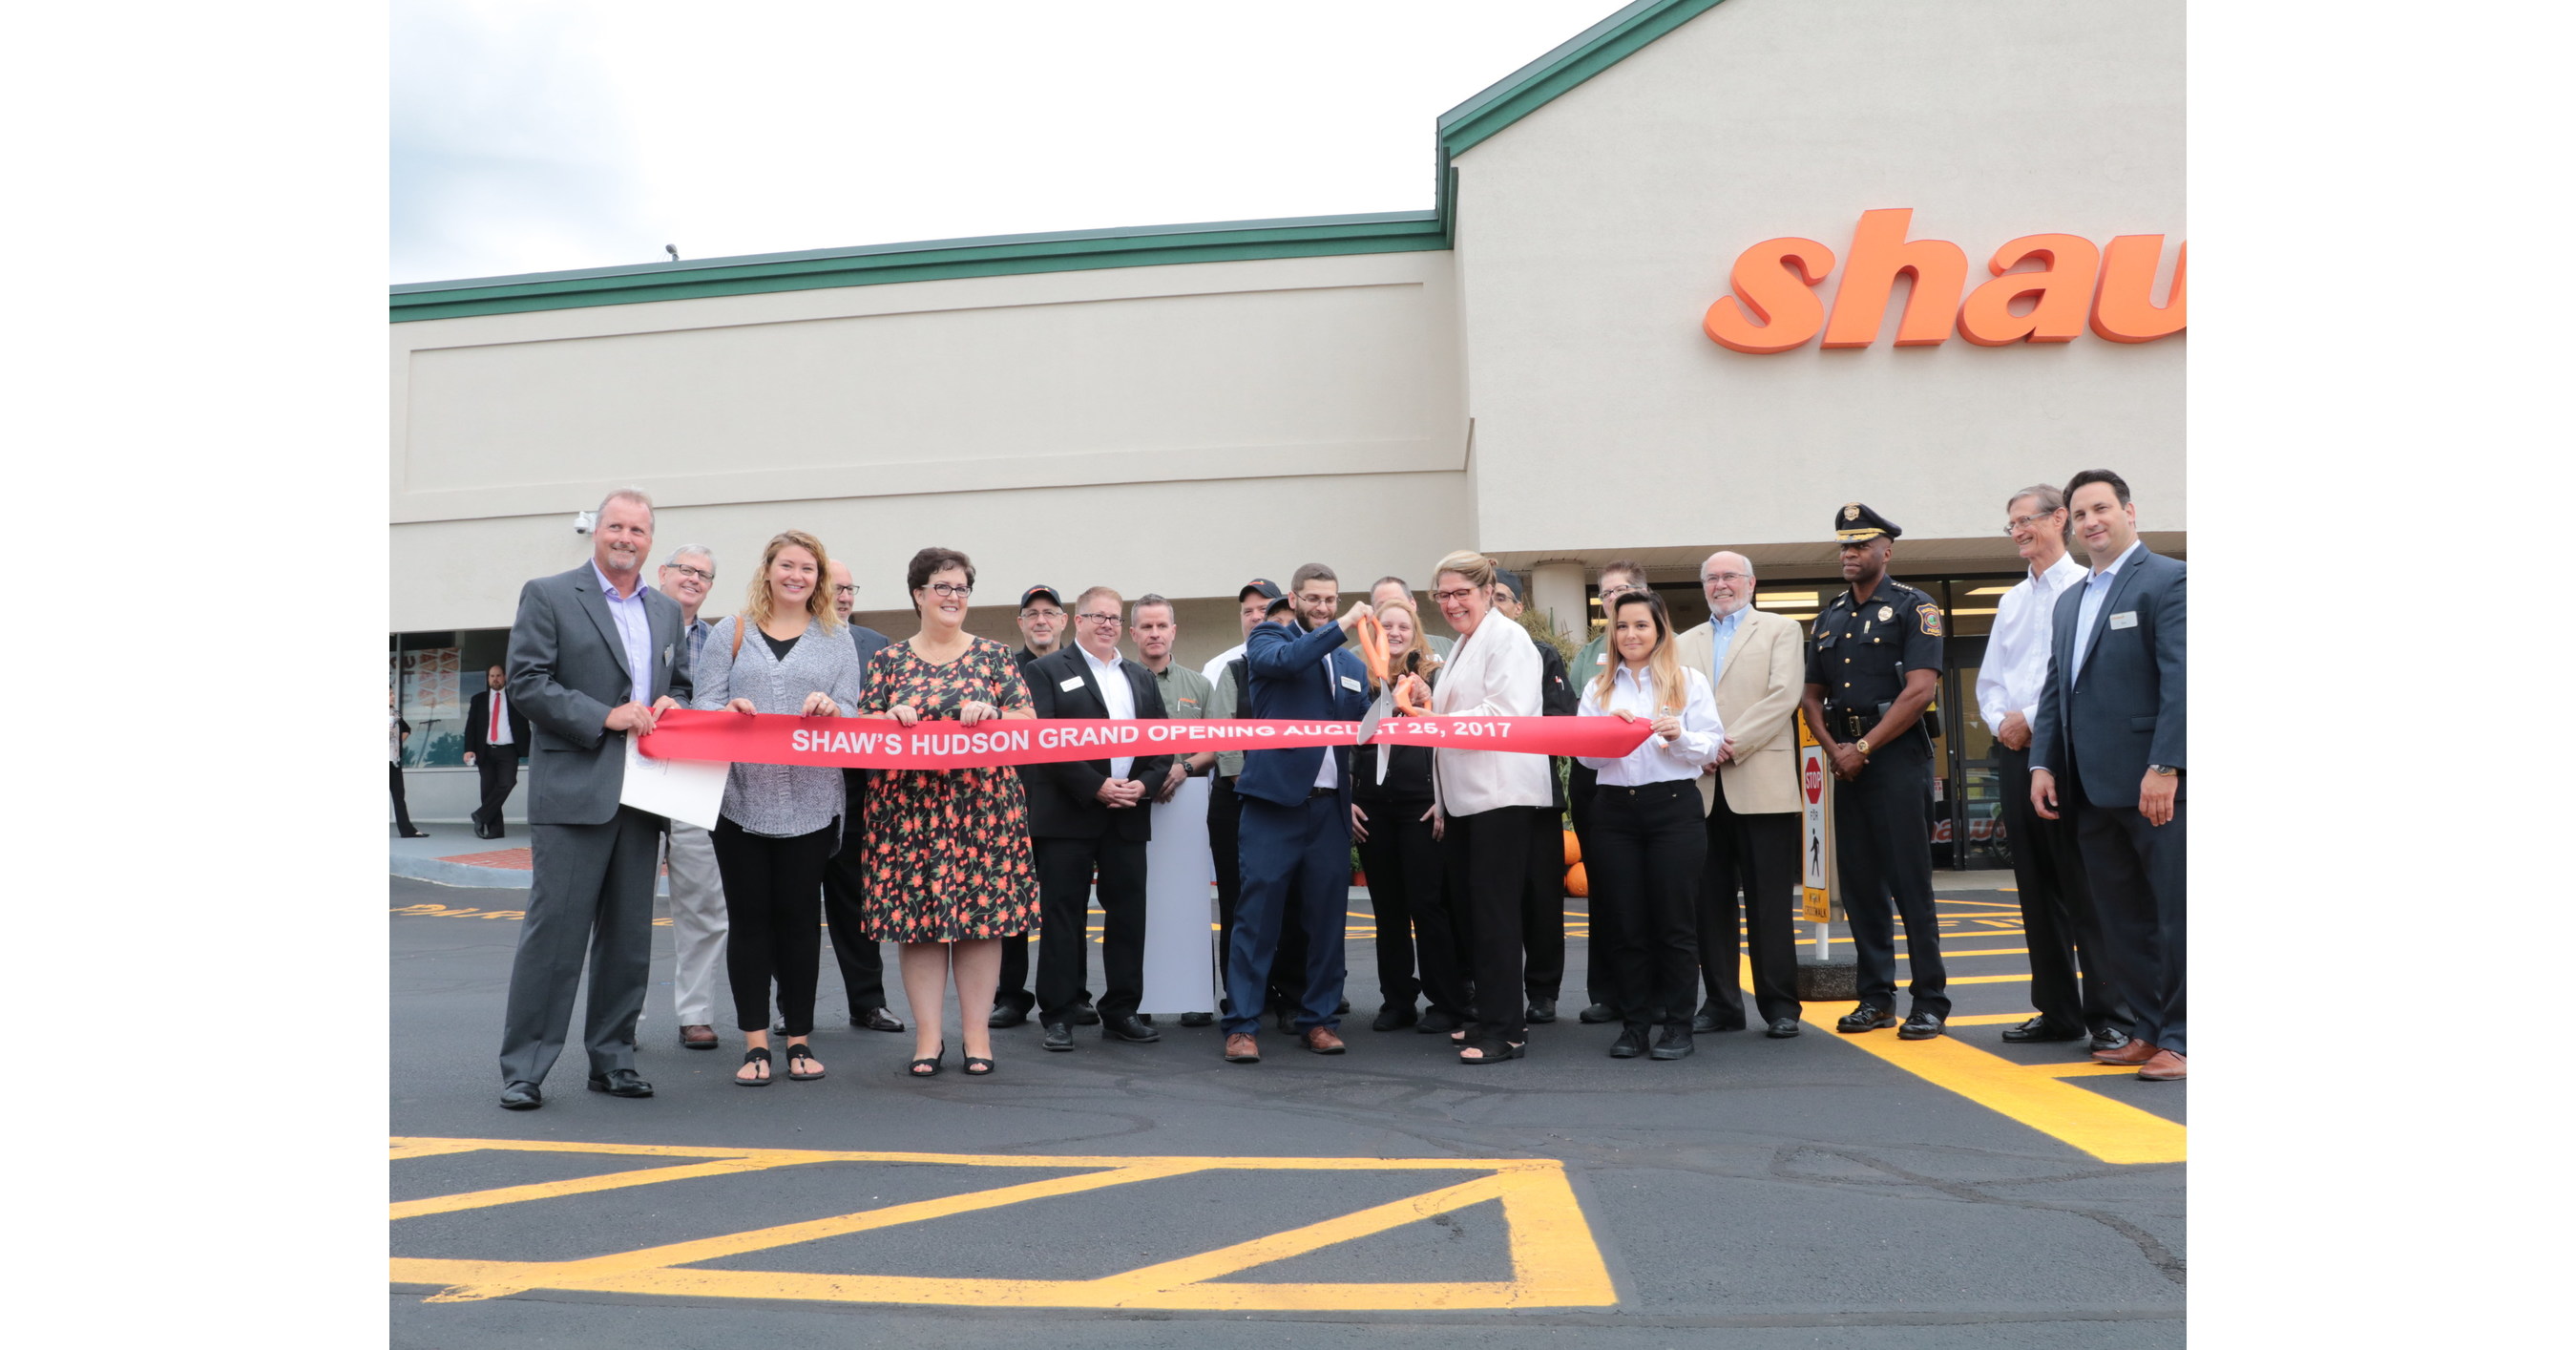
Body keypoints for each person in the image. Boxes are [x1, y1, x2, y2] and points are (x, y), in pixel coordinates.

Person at [494, 488, 691, 1110]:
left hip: (642, 795)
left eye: (637, 529)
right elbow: (527, 682)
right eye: (615, 527)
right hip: (575, 789)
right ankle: (525, 1068)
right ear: (596, 532)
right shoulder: (549, 594)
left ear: (649, 541)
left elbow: (677, 681)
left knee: (629, 939)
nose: (625, 538)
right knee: (555, 936)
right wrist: (602, 715)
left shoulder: (664, 610)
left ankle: (612, 1059)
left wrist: (674, 703)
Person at [694, 531, 867, 1086]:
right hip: (740, 799)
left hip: (813, 802)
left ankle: (798, 1039)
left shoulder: (836, 638)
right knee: (749, 923)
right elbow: (703, 702)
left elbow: (852, 705)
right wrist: (728, 710)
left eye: (808, 568)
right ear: (767, 570)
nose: (797, 575)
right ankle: (754, 1045)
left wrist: (830, 706)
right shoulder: (732, 631)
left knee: (798, 922)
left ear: (819, 579)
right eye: (786, 565)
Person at [2030, 469, 2186, 1082]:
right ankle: (2148, 1029)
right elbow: (2055, 691)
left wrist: (2167, 764)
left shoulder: (2169, 581)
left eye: (2103, 508)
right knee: (2122, 919)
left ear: (2129, 512)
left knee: (2176, 913)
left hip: (2155, 785)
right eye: (2081, 513)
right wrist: (2044, 762)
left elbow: (2183, 681)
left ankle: (2185, 1037)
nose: (2092, 521)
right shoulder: (2071, 599)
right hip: (2089, 788)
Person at [863, 548, 1038, 1079]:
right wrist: (886, 717)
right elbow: (862, 730)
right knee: (918, 926)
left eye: (962, 588)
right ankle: (928, 1039)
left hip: (983, 809)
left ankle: (977, 1036)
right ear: (918, 594)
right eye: (942, 587)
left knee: (981, 924)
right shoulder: (887, 662)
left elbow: (1028, 720)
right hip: (908, 811)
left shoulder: (993, 657)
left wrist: (996, 714)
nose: (953, 598)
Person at [1978, 488, 2133, 1057]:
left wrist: (2031, 719)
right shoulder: (2012, 601)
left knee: (2087, 886)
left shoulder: (2087, 587)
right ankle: (2058, 1011)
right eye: (2010, 523)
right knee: (2035, 891)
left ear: (2059, 520)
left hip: (2072, 753)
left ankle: (2112, 1014)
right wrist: (2003, 724)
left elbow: (2082, 679)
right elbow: (1989, 680)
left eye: (2026, 520)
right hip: (2018, 754)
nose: (2018, 531)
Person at [1797, 504, 1950, 1041]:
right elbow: (1811, 696)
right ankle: (1875, 997)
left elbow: (1920, 690)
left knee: (1911, 885)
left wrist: (1862, 746)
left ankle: (1929, 1000)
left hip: (1897, 760)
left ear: (1887, 550)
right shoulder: (1829, 616)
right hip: (1847, 763)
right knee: (1860, 886)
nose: (1849, 553)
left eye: (1860, 545)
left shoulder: (1916, 607)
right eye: (1844, 545)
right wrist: (1837, 749)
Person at [1223, 564, 1371, 1063]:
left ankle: (1321, 1020)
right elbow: (1288, 663)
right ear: (1294, 597)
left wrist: (1400, 702)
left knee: (1327, 920)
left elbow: (1363, 728)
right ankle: (1242, 1025)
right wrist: (1344, 625)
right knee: (1256, 918)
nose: (1324, 608)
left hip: (1329, 811)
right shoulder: (1269, 638)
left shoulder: (1351, 667)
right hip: (1273, 806)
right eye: (1314, 599)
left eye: (1331, 600)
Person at [1024, 587, 1174, 1050]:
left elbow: (1161, 745)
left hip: (1128, 813)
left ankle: (1122, 1010)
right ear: (1078, 619)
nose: (1107, 624)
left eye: (1114, 618)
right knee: (1062, 916)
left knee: (1128, 915)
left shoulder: (1140, 677)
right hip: (1069, 815)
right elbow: (1043, 741)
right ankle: (1059, 1013)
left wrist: (1143, 785)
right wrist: (1095, 785)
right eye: (1097, 616)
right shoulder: (1045, 671)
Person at [1577, 590, 1722, 1061]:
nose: (1631, 635)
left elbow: (1709, 747)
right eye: (1622, 626)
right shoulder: (1599, 689)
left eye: (1641, 625)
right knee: (1626, 923)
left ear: (1659, 629)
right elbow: (1586, 755)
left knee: (1675, 924)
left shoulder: (1687, 681)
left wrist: (1679, 735)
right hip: (1615, 812)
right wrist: (1610, 733)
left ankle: (1678, 1026)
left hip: (1673, 809)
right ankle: (1635, 1026)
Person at [1427, 551, 1555, 1064]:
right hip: (1466, 797)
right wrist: (1427, 707)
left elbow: (1506, 713)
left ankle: (1507, 1030)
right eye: (1444, 594)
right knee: (1475, 912)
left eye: (1462, 592)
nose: (1453, 603)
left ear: (1486, 591)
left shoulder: (1509, 638)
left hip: (1502, 795)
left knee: (1496, 913)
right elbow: (1453, 711)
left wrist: (1431, 718)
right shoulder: (1466, 642)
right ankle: (1490, 1014)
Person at [1676, 551, 1808, 1039]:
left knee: (1769, 903)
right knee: (1709, 905)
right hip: (1701, 787)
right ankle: (1722, 1004)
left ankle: (1780, 1006)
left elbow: (1783, 695)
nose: (1720, 584)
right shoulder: (1683, 642)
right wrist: (1698, 750)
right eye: (1711, 577)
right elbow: (1673, 702)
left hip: (1762, 785)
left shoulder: (1780, 630)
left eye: (1730, 575)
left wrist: (1724, 746)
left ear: (1751, 582)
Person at [1351, 597, 1465, 1033]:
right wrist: (1348, 795)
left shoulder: (1433, 679)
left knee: (1428, 905)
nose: (1394, 633)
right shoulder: (1356, 680)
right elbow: (1341, 741)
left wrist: (1444, 795)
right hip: (1373, 807)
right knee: (1388, 910)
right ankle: (1397, 1000)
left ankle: (1446, 1002)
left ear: (1414, 631)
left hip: (1421, 804)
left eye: (1403, 626)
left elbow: (1451, 740)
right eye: (1386, 626)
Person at [1204, 579, 1312, 1029]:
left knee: (1292, 903)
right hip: (1240, 797)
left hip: (1292, 797)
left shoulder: (1310, 668)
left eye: (1289, 620)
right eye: (1272, 620)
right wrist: (1248, 784)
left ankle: (1292, 995)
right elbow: (1224, 737)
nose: (1280, 628)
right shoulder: (1235, 669)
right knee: (1240, 902)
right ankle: (1245, 995)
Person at [817, 559, 906, 1036]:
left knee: (856, 905)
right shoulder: (794, 639)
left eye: (851, 588)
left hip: (859, 793)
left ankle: (868, 1003)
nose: (846, 596)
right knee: (795, 907)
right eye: (837, 588)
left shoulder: (876, 645)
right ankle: (793, 1006)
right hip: (801, 789)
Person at [993, 582, 1082, 1028]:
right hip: (1012, 803)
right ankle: (1010, 995)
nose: (1041, 620)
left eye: (1050, 612)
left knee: (1066, 906)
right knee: (1010, 905)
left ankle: (1075, 992)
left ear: (1064, 620)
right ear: (1021, 622)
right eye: (1032, 614)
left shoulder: (1079, 667)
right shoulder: (1003, 670)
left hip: (1067, 805)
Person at [1566, 561, 1651, 1024]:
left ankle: (1652, 993)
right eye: (1606, 594)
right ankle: (1608, 991)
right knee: (1605, 887)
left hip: (1648, 780)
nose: (1614, 597)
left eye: (1624, 590)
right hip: (1595, 779)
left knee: (1649, 893)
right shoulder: (1588, 654)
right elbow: (1583, 710)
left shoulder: (1664, 653)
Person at [1492, 570, 1577, 1026]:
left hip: (1537, 796)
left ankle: (1542, 992)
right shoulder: (1465, 657)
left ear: (1518, 607)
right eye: (1489, 598)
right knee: (1489, 901)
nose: (1495, 606)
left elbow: (1562, 720)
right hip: (1482, 797)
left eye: (1502, 598)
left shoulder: (1541, 655)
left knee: (1541, 900)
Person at [654, 543, 730, 1050]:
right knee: (624, 904)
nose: (695, 579)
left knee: (703, 903)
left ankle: (695, 1014)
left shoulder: (723, 639)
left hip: (694, 782)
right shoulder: (632, 626)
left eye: (704, 574)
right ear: (662, 574)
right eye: (686, 569)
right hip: (631, 778)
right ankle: (619, 1019)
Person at [1130, 592, 1217, 1024]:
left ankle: (1193, 995)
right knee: (1139, 904)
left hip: (1187, 807)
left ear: (1174, 631)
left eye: (1161, 625)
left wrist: (1181, 768)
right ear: (1133, 633)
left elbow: (1216, 744)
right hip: (1136, 804)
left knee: (1189, 904)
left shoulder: (1198, 684)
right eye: (1146, 626)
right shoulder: (1122, 681)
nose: (1154, 633)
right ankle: (1142, 999)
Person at [462, 664, 530, 839]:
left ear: (505, 677)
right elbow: (471, 726)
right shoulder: (479, 699)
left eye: (498, 676)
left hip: (508, 750)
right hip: (485, 750)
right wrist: (469, 749)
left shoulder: (515, 698)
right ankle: (495, 830)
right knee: (488, 790)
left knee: (507, 783)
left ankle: (481, 815)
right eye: (492, 676)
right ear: (488, 678)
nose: (495, 679)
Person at [1369, 576, 1455, 659]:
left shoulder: (1446, 647)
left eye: (1398, 603)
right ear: (1373, 612)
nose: (1391, 610)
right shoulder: (1359, 656)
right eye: (1383, 606)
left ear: (1412, 604)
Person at [390, 688, 427, 838]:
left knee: (399, 794)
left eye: (393, 693)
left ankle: (407, 830)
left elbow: (406, 729)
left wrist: (395, 744)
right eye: (389, 694)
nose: (393, 696)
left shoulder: (395, 714)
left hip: (393, 760)